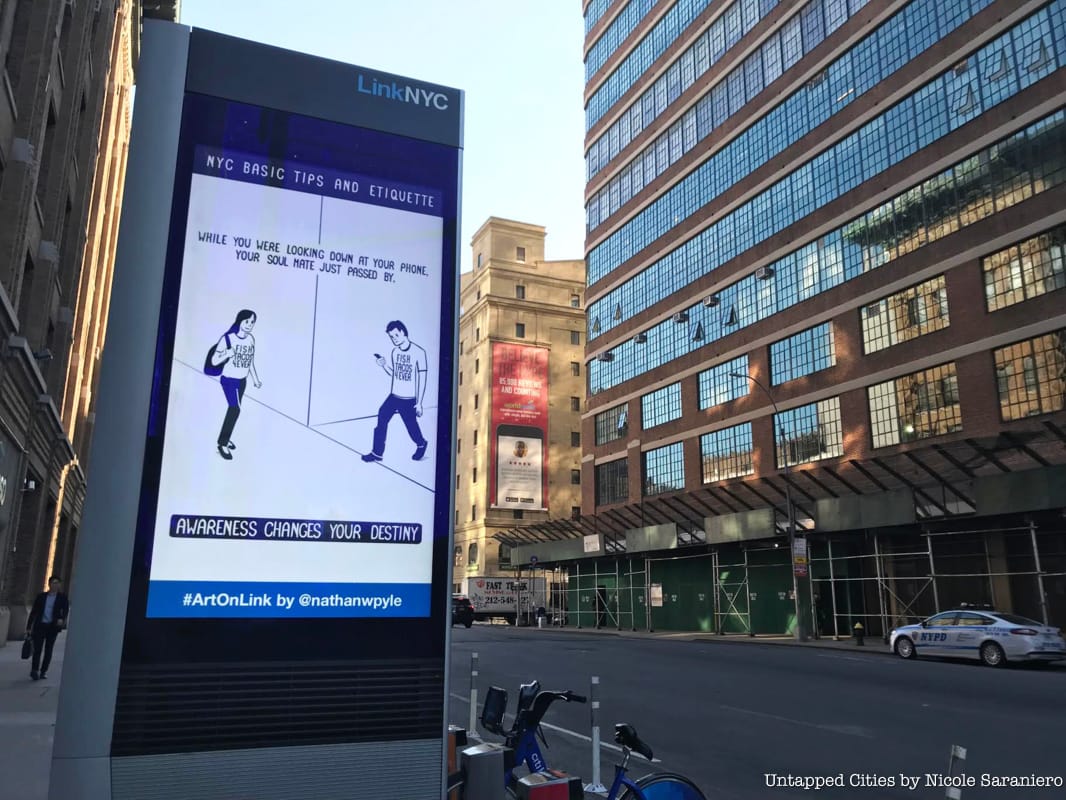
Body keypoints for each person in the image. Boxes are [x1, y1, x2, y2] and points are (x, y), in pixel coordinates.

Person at [362, 320, 429, 462]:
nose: (394, 339)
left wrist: (420, 402)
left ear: (403, 332)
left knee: (411, 426)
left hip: (409, 398)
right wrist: (384, 365)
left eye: (396, 335)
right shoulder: (395, 352)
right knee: (382, 417)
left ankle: (421, 443)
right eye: (391, 337)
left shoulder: (419, 352)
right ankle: (377, 453)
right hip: (394, 396)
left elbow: (422, 377)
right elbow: (395, 374)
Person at [210, 309, 262, 460]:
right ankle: (222, 443)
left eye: (252, 322)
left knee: (234, 409)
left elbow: (250, 361)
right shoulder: (228, 339)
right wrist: (226, 353)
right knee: (235, 409)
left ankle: (226, 436)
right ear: (240, 321)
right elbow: (214, 361)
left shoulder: (251, 339)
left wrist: (256, 379)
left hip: (242, 381)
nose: (249, 325)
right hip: (229, 380)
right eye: (247, 321)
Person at [27, 576, 69, 681]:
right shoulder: (41, 596)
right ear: (49, 584)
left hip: (52, 627)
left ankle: (43, 671)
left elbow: (65, 610)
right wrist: (29, 626)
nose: (56, 585)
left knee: (48, 650)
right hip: (40, 626)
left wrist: (62, 620)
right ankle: (34, 670)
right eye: (54, 583)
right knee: (37, 649)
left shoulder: (62, 597)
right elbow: (34, 612)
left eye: (58, 583)